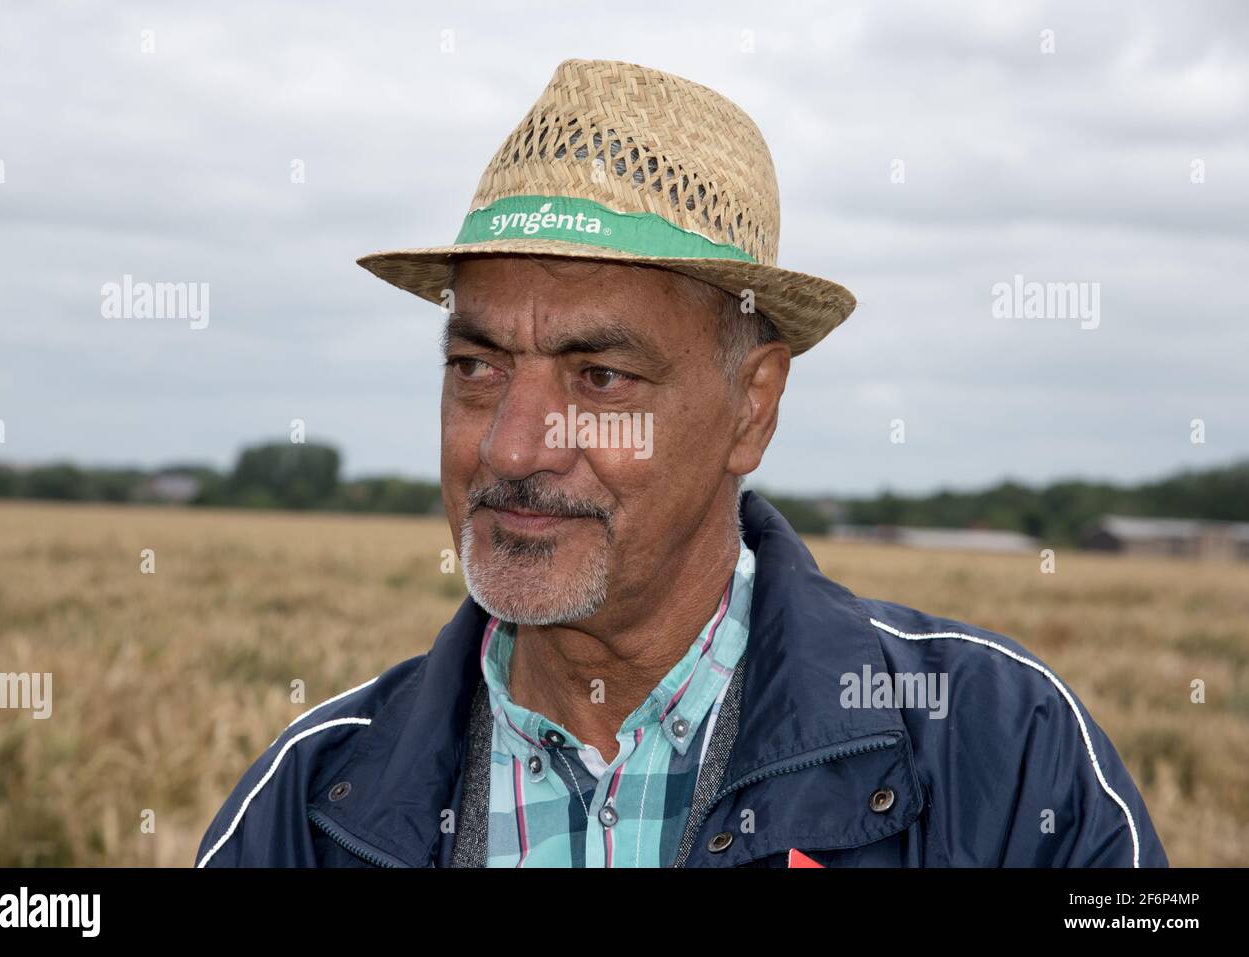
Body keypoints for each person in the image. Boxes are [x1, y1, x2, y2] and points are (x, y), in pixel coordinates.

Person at [196, 58, 1167, 868]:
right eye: (477, 367)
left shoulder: (1003, 756)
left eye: (602, 378)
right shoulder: (310, 807)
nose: (512, 446)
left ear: (753, 409)